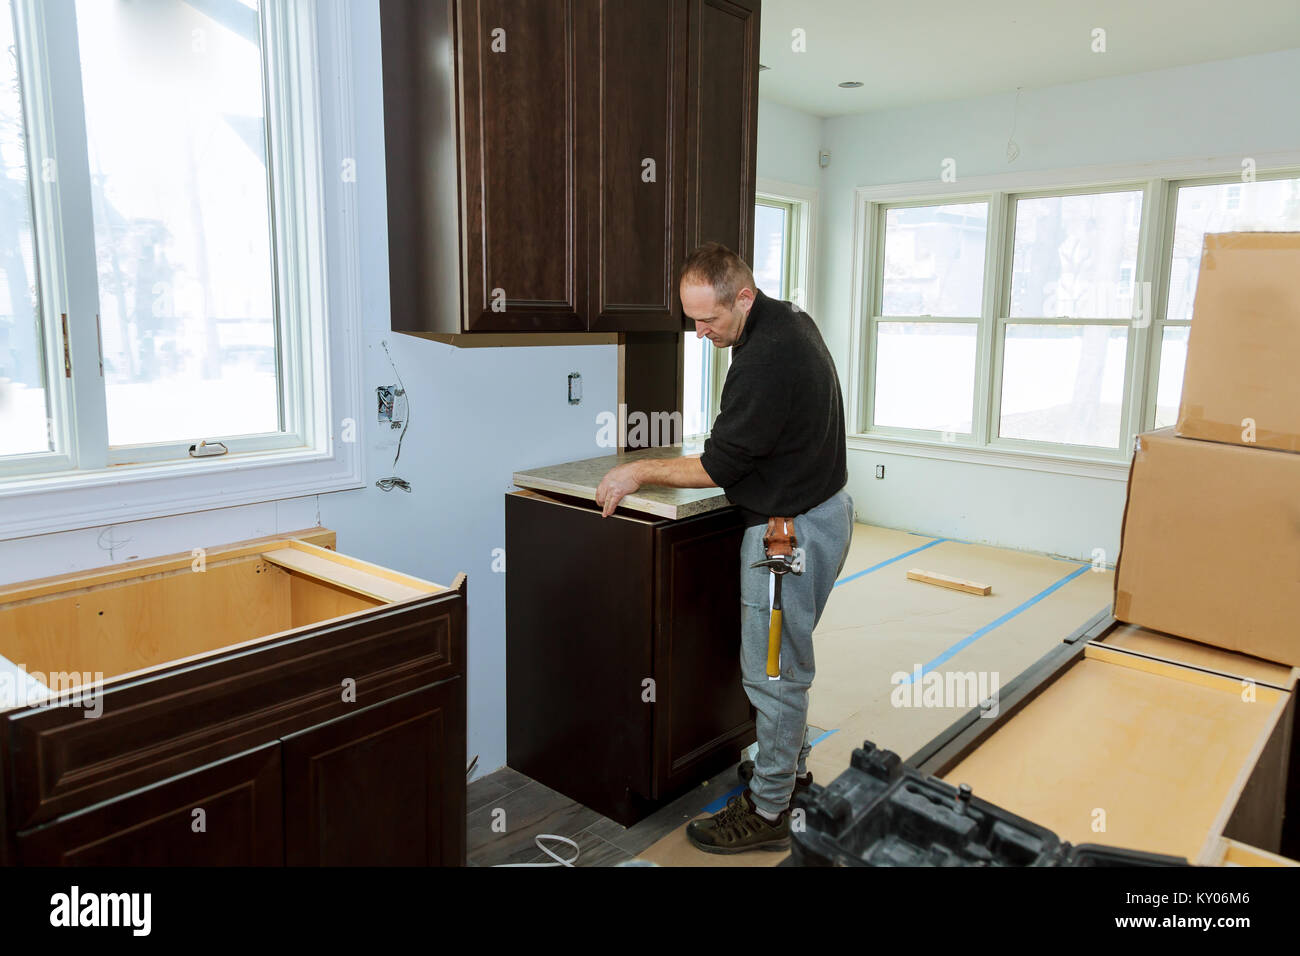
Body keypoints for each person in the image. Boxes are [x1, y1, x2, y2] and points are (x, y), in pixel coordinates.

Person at [595, 242, 852, 853]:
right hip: (822, 511)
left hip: (787, 535)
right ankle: (787, 777)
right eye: (692, 320)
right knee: (783, 664)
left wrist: (639, 471)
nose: (701, 332)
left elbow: (720, 463)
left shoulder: (764, 357)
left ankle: (767, 813)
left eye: (709, 319)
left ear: (743, 296)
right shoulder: (788, 319)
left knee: (774, 674)